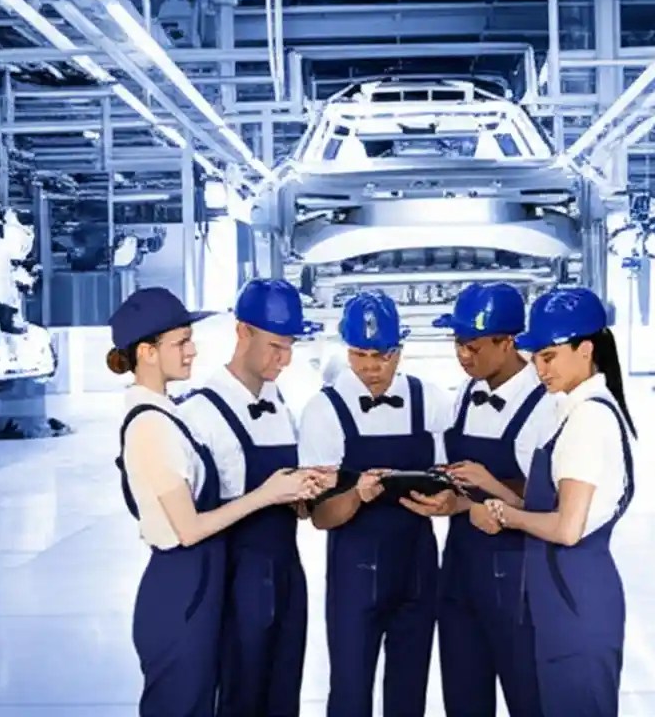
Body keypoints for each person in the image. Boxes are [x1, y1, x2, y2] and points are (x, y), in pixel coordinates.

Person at [108, 286, 323, 717]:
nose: (192, 351)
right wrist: (266, 495)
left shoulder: (270, 405)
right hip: (212, 575)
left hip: (258, 570)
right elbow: (185, 526)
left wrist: (300, 493)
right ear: (147, 352)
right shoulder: (174, 418)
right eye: (182, 342)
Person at [475, 286, 637, 717]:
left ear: (585, 350)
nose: (539, 368)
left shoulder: (588, 418)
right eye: (534, 358)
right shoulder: (575, 410)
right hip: (564, 599)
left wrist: (508, 516)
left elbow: (567, 528)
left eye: (548, 356)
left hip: (574, 603)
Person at [176, 278, 330, 717]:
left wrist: (304, 493)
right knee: (240, 697)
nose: (284, 360)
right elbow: (184, 517)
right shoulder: (198, 413)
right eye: (275, 347)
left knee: (284, 694)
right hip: (234, 577)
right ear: (242, 332)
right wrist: (266, 495)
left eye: (290, 348)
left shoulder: (279, 404)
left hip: (287, 571)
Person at [297, 290, 452, 717]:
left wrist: (446, 500)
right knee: (349, 692)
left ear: (399, 351)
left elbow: (456, 482)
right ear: (347, 351)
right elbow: (320, 518)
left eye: (382, 355)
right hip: (354, 576)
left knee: (409, 692)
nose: (371, 367)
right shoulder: (323, 412)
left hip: (419, 568)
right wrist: (356, 494)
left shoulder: (431, 401)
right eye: (361, 354)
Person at [410, 282, 559, 717]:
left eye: (473, 347)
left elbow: (555, 500)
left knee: (527, 694)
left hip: (519, 577)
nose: (463, 356)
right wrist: (448, 496)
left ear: (509, 341)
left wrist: (493, 484)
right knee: (464, 696)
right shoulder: (463, 396)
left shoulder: (545, 404)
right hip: (458, 570)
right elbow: (462, 487)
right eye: (457, 344)